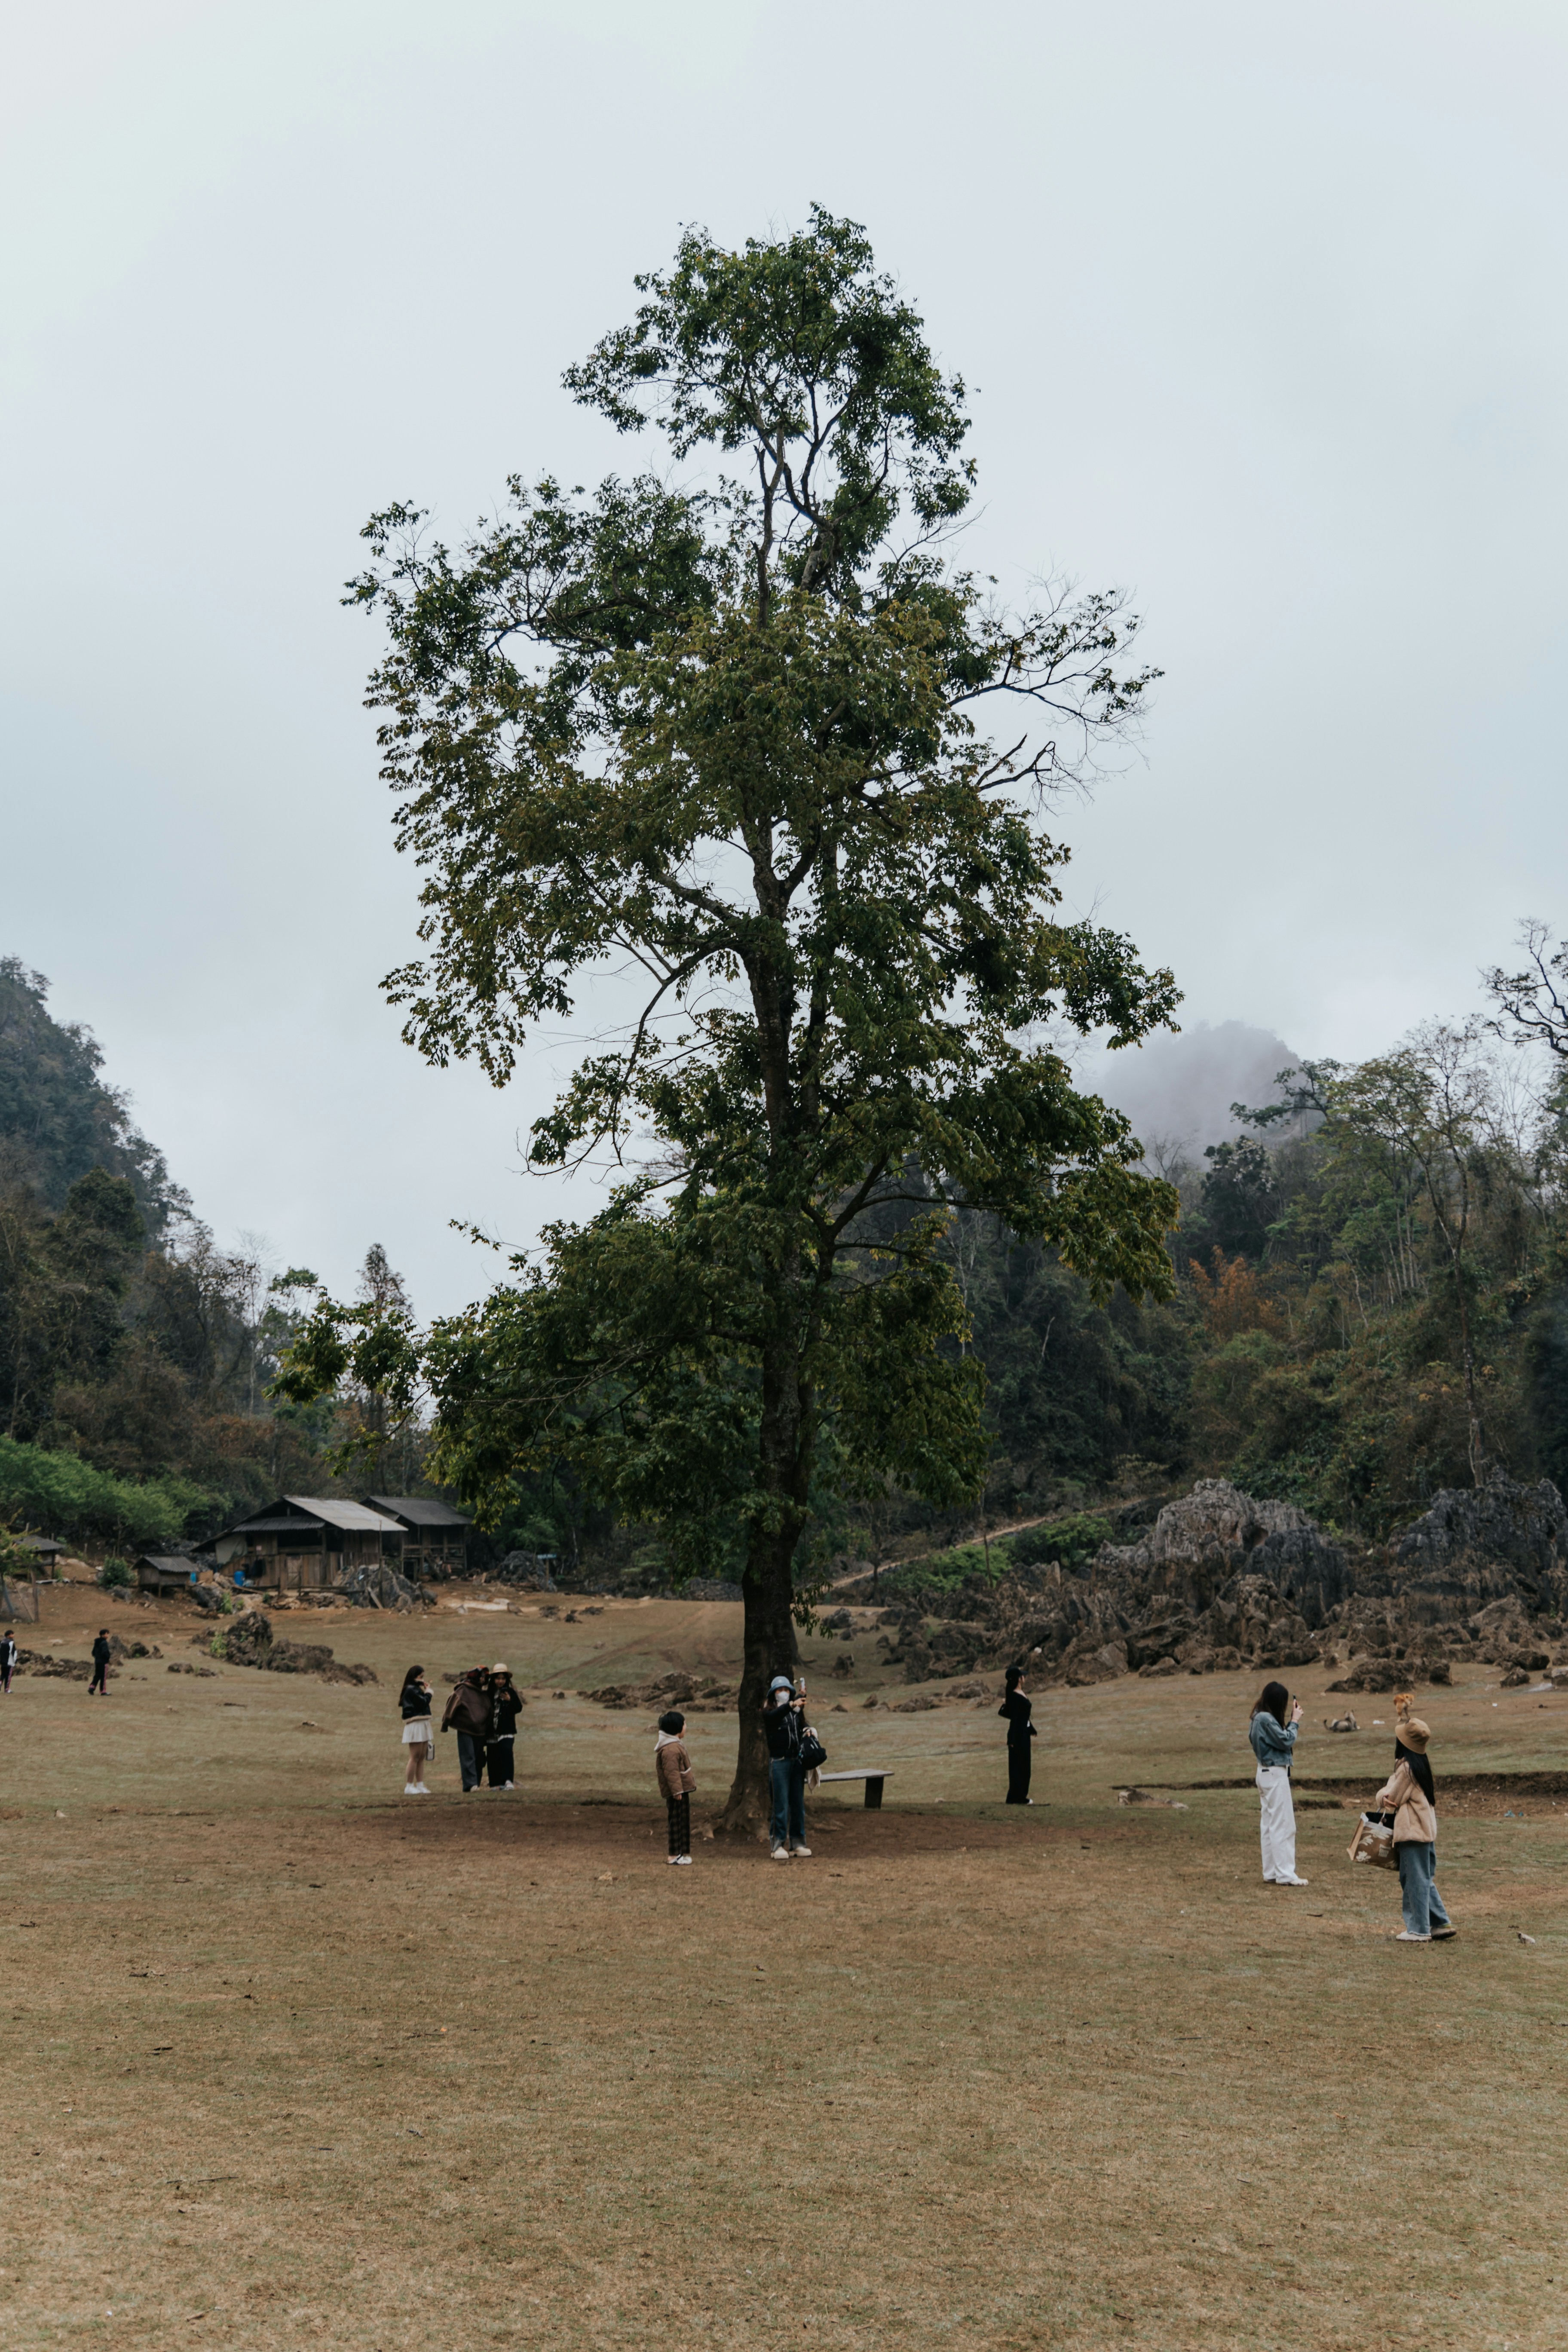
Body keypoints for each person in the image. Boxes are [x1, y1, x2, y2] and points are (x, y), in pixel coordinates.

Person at [1375, 1716, 1455, 1943]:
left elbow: (1393, 1798)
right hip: (1425, 1830)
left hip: (1412, 1832)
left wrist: (1381, 1795)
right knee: (1423, 1878)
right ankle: (1440, 1923)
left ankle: (1419, 1929)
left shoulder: (1407, 1769)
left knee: (1413, 1879)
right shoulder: (1421, 1766)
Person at [1249, 1680, 1307, 1886]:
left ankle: (1272, 1871)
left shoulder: (1257, 1715)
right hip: (1275, 1774)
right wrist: (1295, 1721)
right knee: (1284, 1825)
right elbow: (1286, 1740)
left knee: (1269, 1824)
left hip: (1263, 1772)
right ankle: (1286, 1874)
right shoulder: (1265, 1719)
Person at [761, 1673, 811, 1861]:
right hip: (779, 1762)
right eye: (779, 1690)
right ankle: (778, 1844)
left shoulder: (796, 1712)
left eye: (786, 1690)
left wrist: (808, 1732)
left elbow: (800, 1723)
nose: (783, 1693)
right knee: (780, 1805)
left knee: (798, 1804)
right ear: (773, 1694)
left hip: (797, 1762)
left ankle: (798, 1843)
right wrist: (792, 1704)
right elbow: (776, 1715)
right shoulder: (770, 1712)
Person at [441, 1665, 490, 1791]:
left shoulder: (484, 1694)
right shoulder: (463, 1690)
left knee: (479, 1759)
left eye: (486, 1677)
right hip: (465, 1730)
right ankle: (470, 1785)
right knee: (468, 1757)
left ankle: (476, 1784)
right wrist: (445, 1724)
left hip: (480, 1732)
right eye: (483, 1677)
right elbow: (451, 1706)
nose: (485, 1680)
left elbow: (489, 1712)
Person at [655, 1707, 695, 1863]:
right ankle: (673, 1855)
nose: (686, 1727)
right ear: (677, 1728)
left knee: (683, 1821)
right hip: (677, 1792)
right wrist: (677, 1790)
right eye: (684, 1724)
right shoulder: (671, 1749)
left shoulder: (675, 1745)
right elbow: (671, 1772)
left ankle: (681, 1853)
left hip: (681, 1791)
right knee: (676, 1822)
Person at [998, 1666, 1038, 1803]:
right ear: (1019, 1679)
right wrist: (1012, 1739)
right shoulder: (1015, 1696)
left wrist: (1031, 1729)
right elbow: (1015, 1719)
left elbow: (1023, 1716)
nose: (1024, 1677)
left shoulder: (1021, 1693)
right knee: (1019, 1766)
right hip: (1018, 1735)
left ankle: (1020, 1796)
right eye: (1022, 1676)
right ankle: (1017, 1797)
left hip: (1024, 1733)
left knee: (1025, 1766)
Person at [485, 1664, 522, 1789]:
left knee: (506, 1754)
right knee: (493, 1757)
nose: (500, 1681)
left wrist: (509, 1701)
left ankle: (508, 1781)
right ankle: (495, 1784)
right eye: (498, 1678)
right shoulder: (488, 1693)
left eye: (503, 1679)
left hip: (506, 1731)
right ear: (494, 1679)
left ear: (506, 1680)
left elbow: (518, 1708)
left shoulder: (510, 1692)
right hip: (492, 1732)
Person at [399, 1665, 434, 1794]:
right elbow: (422, 1703)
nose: (422, 1679)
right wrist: (429, 1693)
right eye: (420, 1677)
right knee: (415, 1756)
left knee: (422, 1756)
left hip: (423, 1723)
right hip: (415, 1724)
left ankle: (420, 1785)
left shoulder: (415, 1689)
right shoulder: (410, 1689)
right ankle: (409, 1786)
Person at [89, 1629, 112, 1699]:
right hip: (103, 1662)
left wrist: (97, 1658)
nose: (108, 1635)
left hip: (97, 1662)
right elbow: (104, 1652)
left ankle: (92, 1688)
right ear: (103, 1635)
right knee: (103, 1677)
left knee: (97, 1675)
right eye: (107, 1634)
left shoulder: (97, 1642)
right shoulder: (104, 1643)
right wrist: (107, 1658)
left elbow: (93, 1653)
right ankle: (103, 1691)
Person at [0, 1627, 17, 1694]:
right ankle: (7, 1690)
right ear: (8, 1635)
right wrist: (15, 1661)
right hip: (9, 1663)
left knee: (3, 1675)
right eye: (12, 1634)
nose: (13, 1635)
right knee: (8, 1677)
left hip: (2, 1662)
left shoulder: (2, 1642)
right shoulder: (11, 1643)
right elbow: (14, 1653)